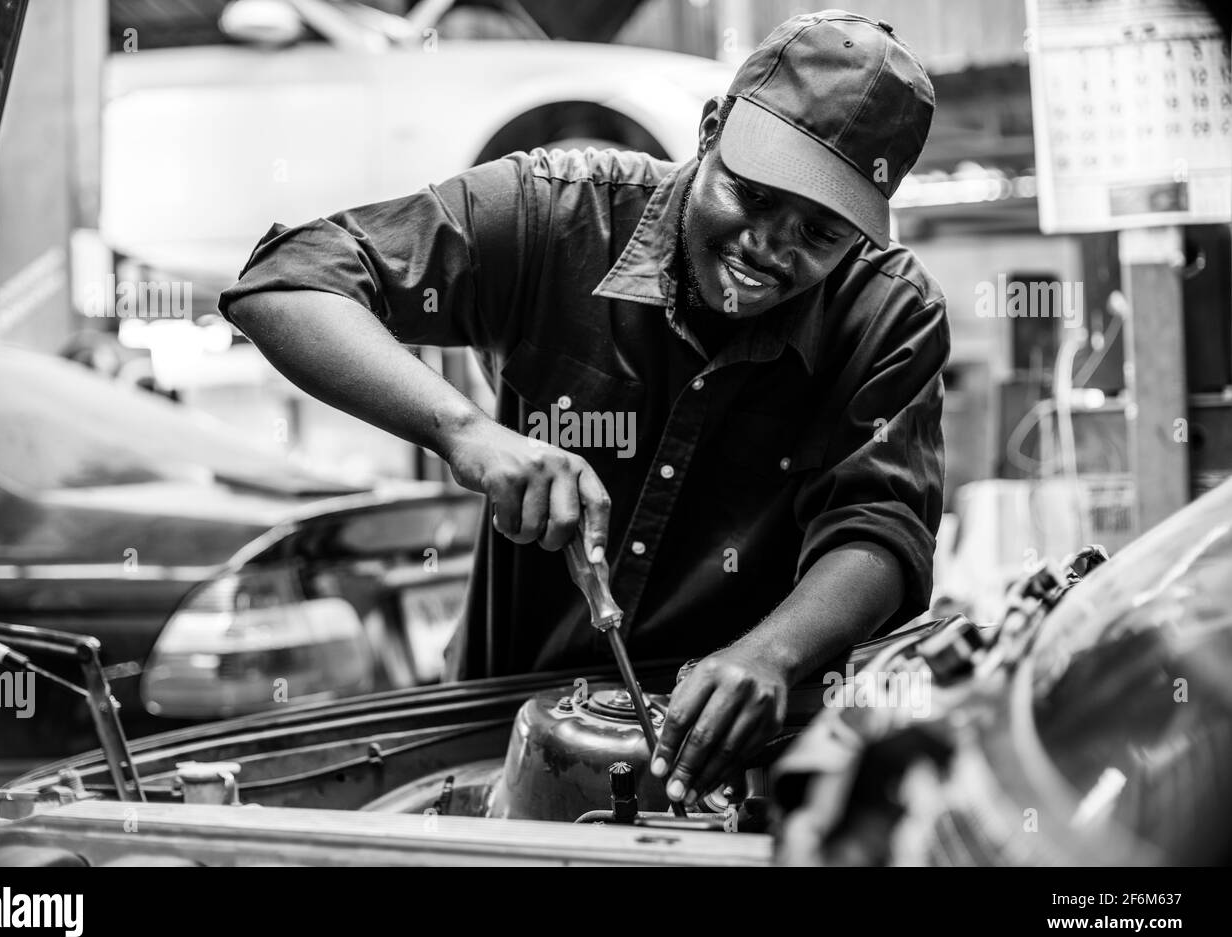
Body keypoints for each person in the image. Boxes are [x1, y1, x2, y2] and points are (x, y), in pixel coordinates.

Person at [218, 9, 948, 810]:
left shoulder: (889, 314)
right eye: (752, 195)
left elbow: (880, 527)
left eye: (819, 231)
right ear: (709, 133)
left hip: (734, 768)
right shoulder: (552, 215)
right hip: (504, 745)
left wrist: (770, 655)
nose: (768, 247)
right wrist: (468, 433)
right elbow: (287, 281)